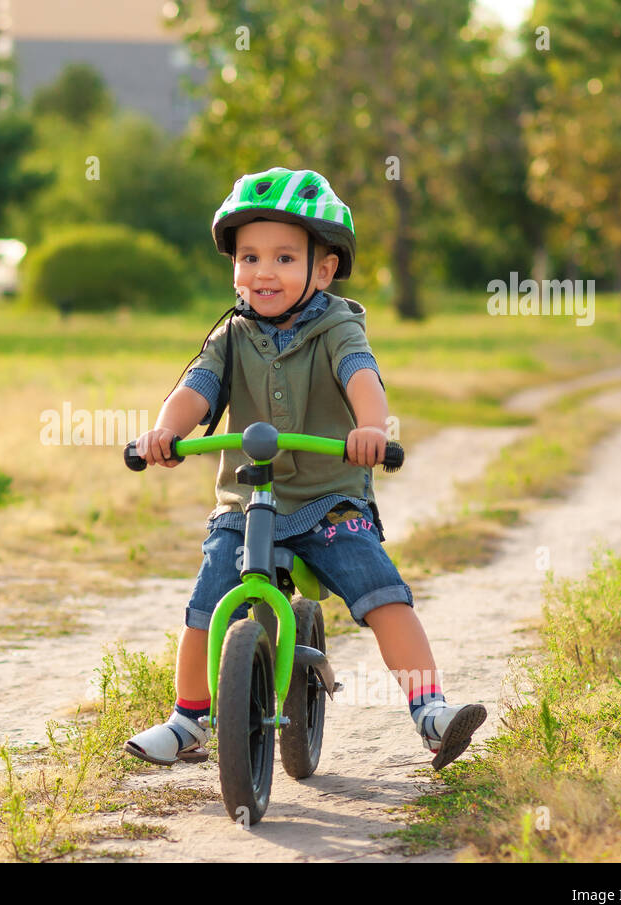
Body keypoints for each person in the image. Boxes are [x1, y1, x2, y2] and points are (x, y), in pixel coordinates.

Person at [124, 167, 485, 771]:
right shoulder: (232, 333)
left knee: (381, 593)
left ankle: (431, 711)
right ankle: (188, 719)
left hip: (328, 499)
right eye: (249, 257)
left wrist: (371, 428)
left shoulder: (336, 324)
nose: (263, 272)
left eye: (285, 257)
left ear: (322, 269)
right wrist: (166, 430)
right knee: (206, 603)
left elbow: (360, 374)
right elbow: (198, 386)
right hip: (247, 503)